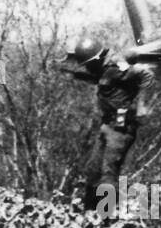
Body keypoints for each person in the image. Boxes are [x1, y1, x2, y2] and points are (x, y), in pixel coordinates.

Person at [66, 35, 154, 211]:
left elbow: (146, 75)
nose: (88, 67)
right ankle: (89, 213)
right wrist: (71, 70)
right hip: (107, 125)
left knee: (108, 173)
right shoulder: (103, 68)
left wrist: (142, 105)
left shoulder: (116, 67)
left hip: (120, 128)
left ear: (96, 59)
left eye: (89, 64)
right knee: (93, 170)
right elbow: (101, 79)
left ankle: (105, 218)